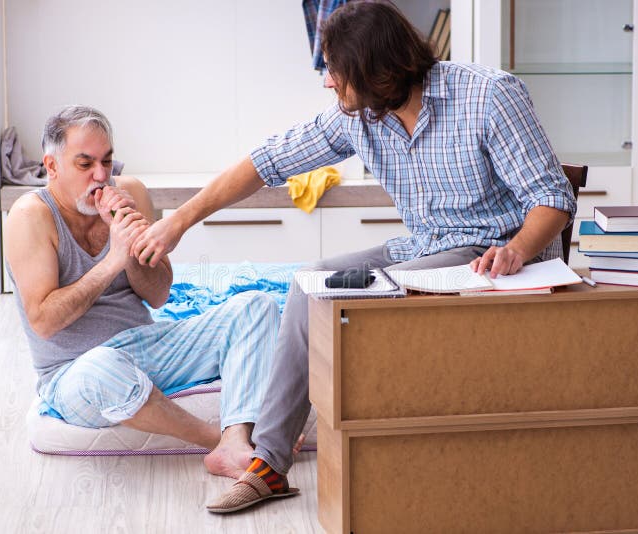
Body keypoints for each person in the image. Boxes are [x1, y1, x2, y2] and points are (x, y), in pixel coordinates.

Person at [131, 0, 577, 513]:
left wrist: (517, 249)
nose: (328, 82)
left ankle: (378, 449)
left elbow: (551, 197)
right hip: (427, 247)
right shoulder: (360, 116)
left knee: (366, 294)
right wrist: (178, 221)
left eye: (336, 70)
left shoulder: (489, 95)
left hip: (492, 255)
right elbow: (266, 161)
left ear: (378, 70)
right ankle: (269, 463)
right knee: (307, 282)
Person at [4, 105, 282, 479]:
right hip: (77, 372)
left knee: (257, 306)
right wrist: (113, 259)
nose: (101, 176)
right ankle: (217, 440)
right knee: (102, 368)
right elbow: (44, 321)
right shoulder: (30, 216)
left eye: (107, 161)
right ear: (52, 167)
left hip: (148, 347)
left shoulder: (131, 192)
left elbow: (159, 296)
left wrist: (134, 246)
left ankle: (239, 434)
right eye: (85, 165)